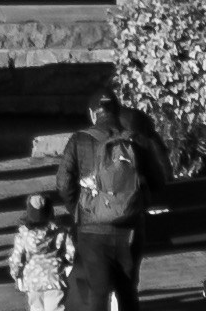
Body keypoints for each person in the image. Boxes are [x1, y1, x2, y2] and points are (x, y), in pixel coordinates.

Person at [64, 82, 163, 311]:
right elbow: (158, 182)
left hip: (92, 229)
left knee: (97, 293)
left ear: (92, 114)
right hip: (130, 229)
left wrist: (79, 208)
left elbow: (63, 182)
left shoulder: (79, 140)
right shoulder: (137, 141)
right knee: (128, 292)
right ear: (118, 112)